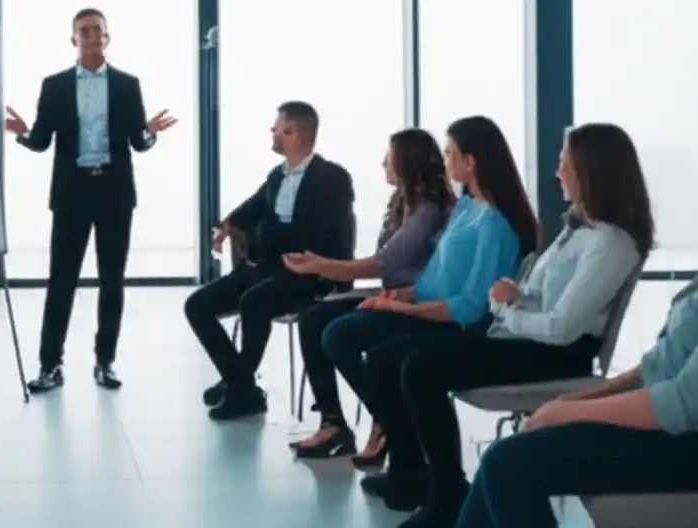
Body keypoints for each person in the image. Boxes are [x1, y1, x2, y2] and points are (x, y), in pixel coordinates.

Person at [458, 102, 698, 528]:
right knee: (506, 461)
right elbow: (661, 365)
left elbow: (689, 399)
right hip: (696, 427)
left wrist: (568, 412)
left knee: (511, 464)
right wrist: (580, 399)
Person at [363, 124, 653, 527]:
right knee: (385, 359)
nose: (558, 173)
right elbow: (537, 296)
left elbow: (563, 328)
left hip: (553, 353)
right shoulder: (578, 232)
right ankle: (417, 475)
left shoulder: (612, 244)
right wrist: (513, 294)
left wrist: (505, 310)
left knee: (419, 366)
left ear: (590, 171)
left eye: (564, 165)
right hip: (525, 336)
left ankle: (447, 493)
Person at [321, 116, 538, 471]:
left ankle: (408, 454)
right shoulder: (467, 208)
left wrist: (402, 310)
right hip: (427, 306)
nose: (445, 160)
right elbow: (435, 275)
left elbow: (470, 306)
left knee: (355, 342)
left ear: (471, 162)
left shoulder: (494, 224)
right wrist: (403, 296)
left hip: (450, 322)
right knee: (343, 336)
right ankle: (404, 453)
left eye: (450, 153)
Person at [5, 7, 176, 393]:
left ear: (107, 37)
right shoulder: (54, 85)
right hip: (71, 193)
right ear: (74, 40)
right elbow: (41, 142)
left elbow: (138, 143)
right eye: (83, 31)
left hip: (114, 193)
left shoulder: (128, 84)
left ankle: (105, 362)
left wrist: (149, 132)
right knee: (61, 281)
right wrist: (22, 132)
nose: (91, 36)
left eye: (97, 30)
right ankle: (50, 366)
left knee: (112, 280)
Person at [282, 128, 454, 459]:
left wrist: (320, 265)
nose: (383, 162)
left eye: (389, 156)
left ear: (405, 162)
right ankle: (335, 421)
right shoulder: (403, 204)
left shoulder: (428, 212)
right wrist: (321, 266)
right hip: (392, 293)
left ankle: (389, 419)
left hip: (413, 300)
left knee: (333, 330)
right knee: (313, 317)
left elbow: (380, 264)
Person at [185, 102, 355, 420]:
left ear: (303, 136)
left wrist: (272, 238)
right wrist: (227, 227)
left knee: (254, 300)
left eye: (284, 131)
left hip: (311, 271)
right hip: (272, 268)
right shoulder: (277, 176)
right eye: (275, 130)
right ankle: (241, 382)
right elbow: (253, 208)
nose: (275, 136)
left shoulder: (332, 178)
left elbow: (324, 235)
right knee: (197, 305)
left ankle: (240, 388)